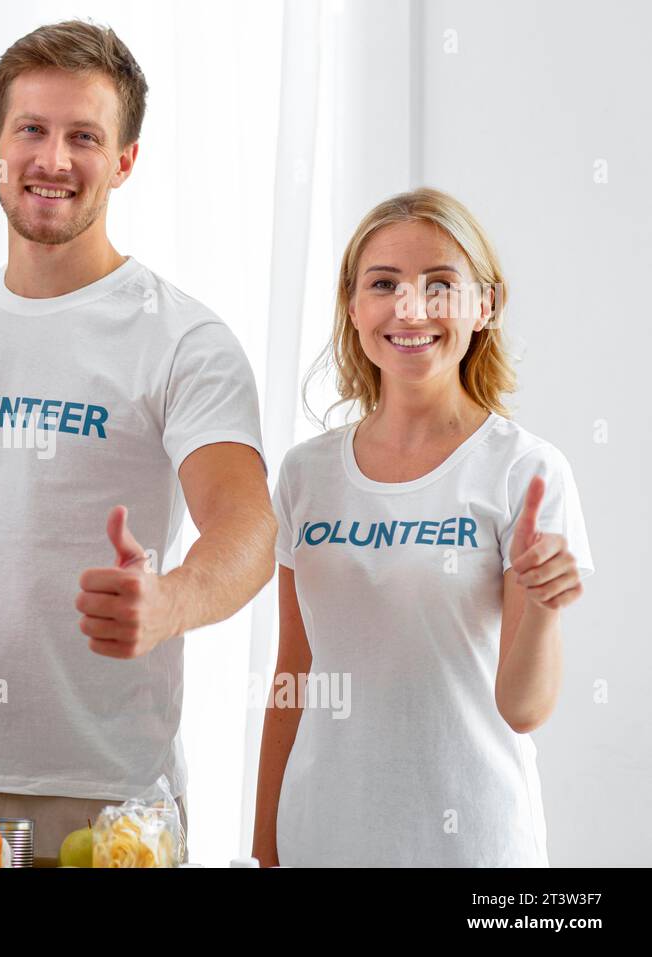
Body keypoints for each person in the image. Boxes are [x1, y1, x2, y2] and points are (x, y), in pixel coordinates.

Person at [0, 19, 276, 860]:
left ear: (125, 160)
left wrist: (172, 603)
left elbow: (249, 529)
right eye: (32, 130)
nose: (53, 160)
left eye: (84, 135)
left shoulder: (185, 340)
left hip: (107, 794)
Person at [252, 188, 594, 867]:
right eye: (385, 284)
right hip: (323, 835)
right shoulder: (304, 473)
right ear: (354, 307)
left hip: (475, 844)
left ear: (484, 306)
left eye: (441, 284)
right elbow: (295, 672)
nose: (411, 308)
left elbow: (524, 708)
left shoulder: (525, 471)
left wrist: (546, 612)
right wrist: (265, 848)